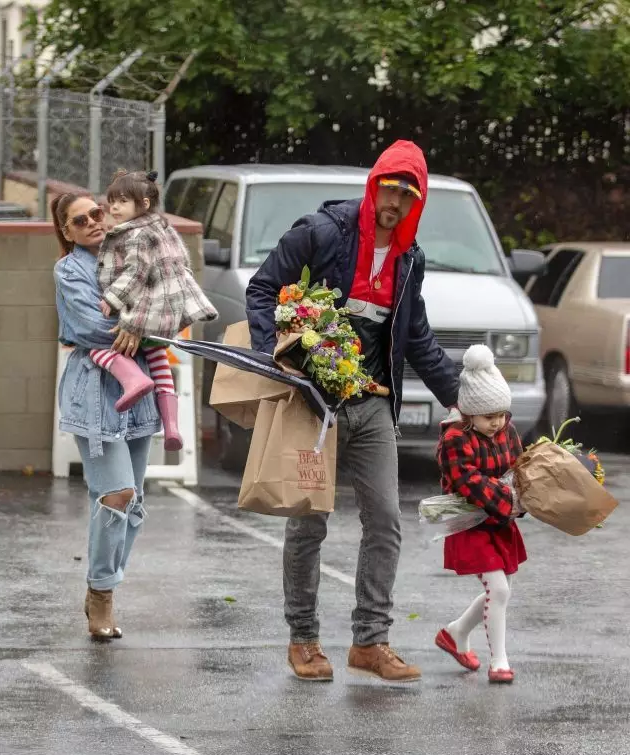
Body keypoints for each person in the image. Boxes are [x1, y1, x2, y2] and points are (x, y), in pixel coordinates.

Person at [246, 140, 459, 682]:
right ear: (375, 184)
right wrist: (278, 357)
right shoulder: (323, 233)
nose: (395, 202)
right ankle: (304, 640)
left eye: (408, 195)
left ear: (418, 202)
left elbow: (417, 337)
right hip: (315, 408)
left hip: (373, 408)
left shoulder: (410, 259)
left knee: (386, 521)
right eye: (390, 188)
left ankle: (370, 642)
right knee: (308, 523)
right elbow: (264, 287)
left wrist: (463, 399)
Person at [52, 192, 162, 641]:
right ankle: (100, 592)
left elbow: (168, 303)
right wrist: (141, 326)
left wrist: (146, 324)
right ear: (67, 231)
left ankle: (107, 581)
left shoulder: (132, 253)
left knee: (133, 501)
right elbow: (90, 327)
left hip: (141, 389)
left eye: (97, 213)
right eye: (81, 220)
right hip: (94, 392)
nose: (93, 222)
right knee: (114, 493)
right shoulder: (68, 270)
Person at [89, 170, 218, 451]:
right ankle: (171, 425)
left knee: (96, 345)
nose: (114, 208)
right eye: (112, 201)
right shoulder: (162, 227)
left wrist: (112, 297)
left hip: (144, 310)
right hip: (165, 310)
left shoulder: (137, 234)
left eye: (122, 201)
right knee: (158, 358)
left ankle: (133, 381)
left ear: (144, 204)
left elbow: (136, 271)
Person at [435, 344, 527, 684]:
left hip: (499, 521)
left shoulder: (507, 431)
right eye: (490, 417)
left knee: (500, 589)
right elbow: (467, 481)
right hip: (471, 522)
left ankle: (455, 632)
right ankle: (499, 661)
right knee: (499, 590)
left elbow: (519, 467)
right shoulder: (455, 438)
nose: (497, 423)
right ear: (471, 413)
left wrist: (529, 495)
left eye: (502, 415)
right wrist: (509, 499)